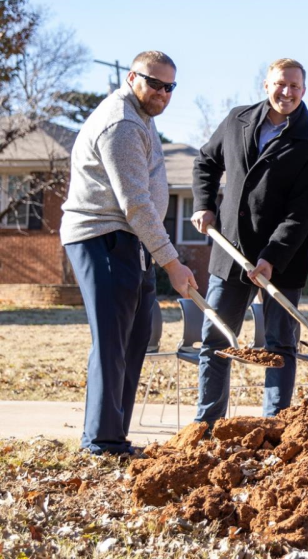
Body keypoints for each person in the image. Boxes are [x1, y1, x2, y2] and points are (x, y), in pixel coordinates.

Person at [60, 50, 198, 454]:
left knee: (136, 337)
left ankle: (114, 435)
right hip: (102, 237)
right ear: (132, 77)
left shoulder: (143, 118)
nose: (162, 93)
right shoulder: (121, 122)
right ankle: (101, 442)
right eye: (153, 83)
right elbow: (135, 202)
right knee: (112, 341)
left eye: (169, 87)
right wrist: (172, 262)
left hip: (130, 241)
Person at [190, 58, 308, 424]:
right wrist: (204, 205)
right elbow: (205, 161)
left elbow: (302, 211)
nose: (287, 92)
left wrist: (271, 256)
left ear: (304, 91)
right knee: (216, 341)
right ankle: (207, 425)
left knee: (280, 346)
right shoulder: (237, 120)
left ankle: (274, 425)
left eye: (295, 86)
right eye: (281, 84)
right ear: (266, 84)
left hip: (281, 263)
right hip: (230, 253)